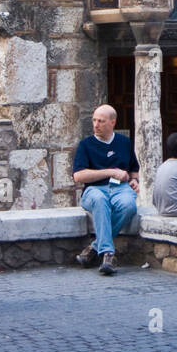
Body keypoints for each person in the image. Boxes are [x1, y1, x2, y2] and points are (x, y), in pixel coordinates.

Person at [72, 105, 139, 276]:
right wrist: (111, 171)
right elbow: (78, 176)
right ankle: (108, 254)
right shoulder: (85, 145)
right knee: (100, 202)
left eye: (100, 121)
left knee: (129, 206)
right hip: (94, 190)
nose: (95, 125)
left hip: (119, 188)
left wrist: (134, 181)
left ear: (112, 122)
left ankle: (94, 248)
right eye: (94, 120)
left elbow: (133, 169)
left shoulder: (123, 142)